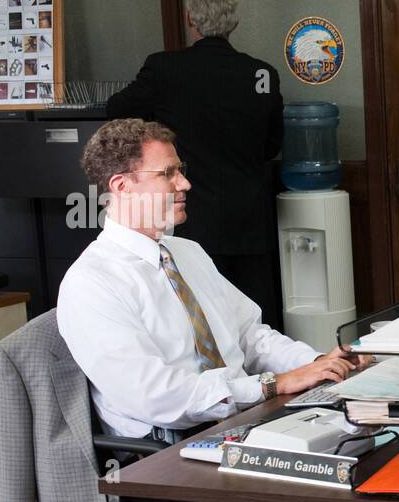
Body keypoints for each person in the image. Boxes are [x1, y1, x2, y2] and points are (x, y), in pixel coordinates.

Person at [57, 118, 361, 441]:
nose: (185, 184)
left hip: (241, 415)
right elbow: (156, 396)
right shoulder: (90, 283)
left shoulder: (186, 253)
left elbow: (250, 335)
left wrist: (318, 363)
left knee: (362, 435)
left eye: (180, 170)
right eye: (167, 174)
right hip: (168, 448)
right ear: (121, 186)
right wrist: (273, 384)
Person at [106, 0, 284, 329]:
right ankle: (274, 381)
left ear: (190, 20)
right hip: (250, 217)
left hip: (191, 219)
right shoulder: (262, 74)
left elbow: (116, 108)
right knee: (257, 318)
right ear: (234, 23)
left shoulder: (164, 69)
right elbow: (271, 147)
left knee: (200, 318)